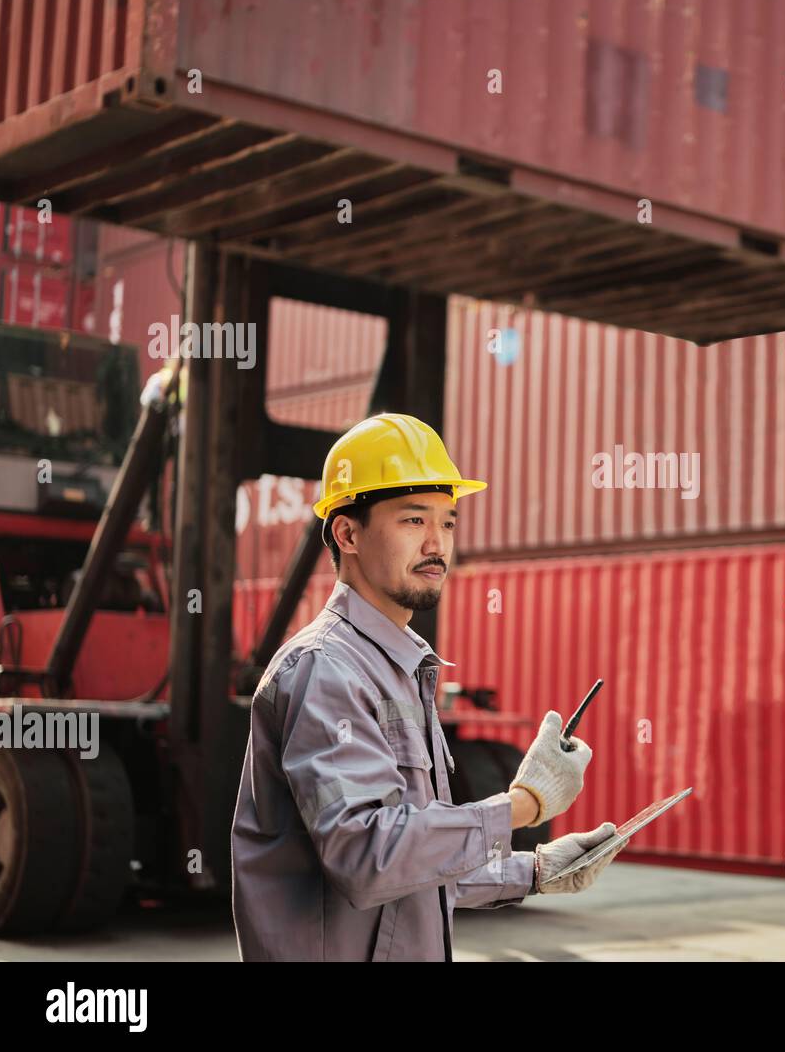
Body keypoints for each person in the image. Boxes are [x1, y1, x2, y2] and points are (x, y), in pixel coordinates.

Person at [230, 412, 625, 961]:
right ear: (347, 533)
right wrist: (520, 804)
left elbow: (414, 868)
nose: (438, 545)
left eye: (449, 523)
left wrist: (534, 870)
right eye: (414, 521)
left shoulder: (397, 669)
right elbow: (369, 858)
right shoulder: (325, 670)